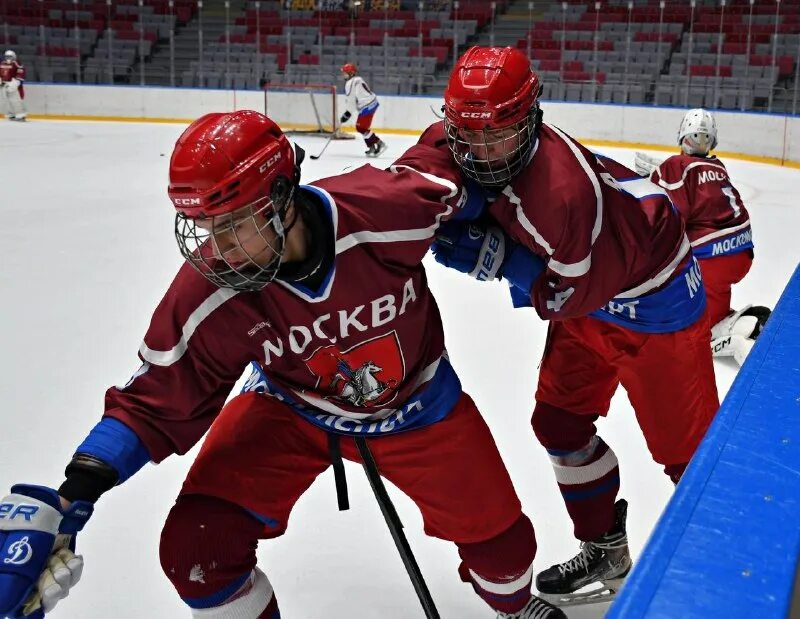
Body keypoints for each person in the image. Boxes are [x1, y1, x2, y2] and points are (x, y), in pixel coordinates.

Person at [0, 110, 565, 619]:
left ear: (281, 197)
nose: (217, 248)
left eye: (232, 223)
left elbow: (455, 151)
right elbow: (157, 396)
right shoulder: (213, 287)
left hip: (417, 408)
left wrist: (528, 260)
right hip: (292, 408)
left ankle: (513, 607)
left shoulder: (385, 208)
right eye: (206, 227)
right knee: (197, 550)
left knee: (507, 555)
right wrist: (73, 493)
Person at [418, 46, 720, 605]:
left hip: (655, 305)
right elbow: (413, 173)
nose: (479, 151)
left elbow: (568, 294)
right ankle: (605, 548)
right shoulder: (461, 143)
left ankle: (726, 579)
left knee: (694, 460)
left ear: (529, 119)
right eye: (467, 133)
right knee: (559, 424)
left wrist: (503, 259)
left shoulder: (562, 197)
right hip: (594, 288)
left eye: (496, 133)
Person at [634, 109, 770, 365]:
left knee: (670, 279)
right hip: (741, 252)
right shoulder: (717, 166)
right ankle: (724, 319)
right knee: (714, 290)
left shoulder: (675, 166)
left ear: (682, 135)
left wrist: (651, 181)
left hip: (709, 259)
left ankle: (726, 340)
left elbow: (670, 214)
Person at [339, 62, 387, 157]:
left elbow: (351, 100)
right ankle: (372, 147)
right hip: (371, 102)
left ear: (351, 73)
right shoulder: (358, 79)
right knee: (362, 128)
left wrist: (347, 113)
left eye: (345, 73)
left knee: (361, 127)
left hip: (367, 105)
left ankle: (380, 144)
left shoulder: (349, 83)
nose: (343, 75)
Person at [0, 50, 26, 121]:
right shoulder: (2, 63)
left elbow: (20, 73)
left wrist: (16, 82)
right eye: (7, 56)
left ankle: (21, 115)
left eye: (10, 56)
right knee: (6, 101)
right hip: (3, 84)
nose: (8, 58)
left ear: (14, 57)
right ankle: (10, 114)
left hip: (13, 84)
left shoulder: (17, 63)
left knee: (15, 100)